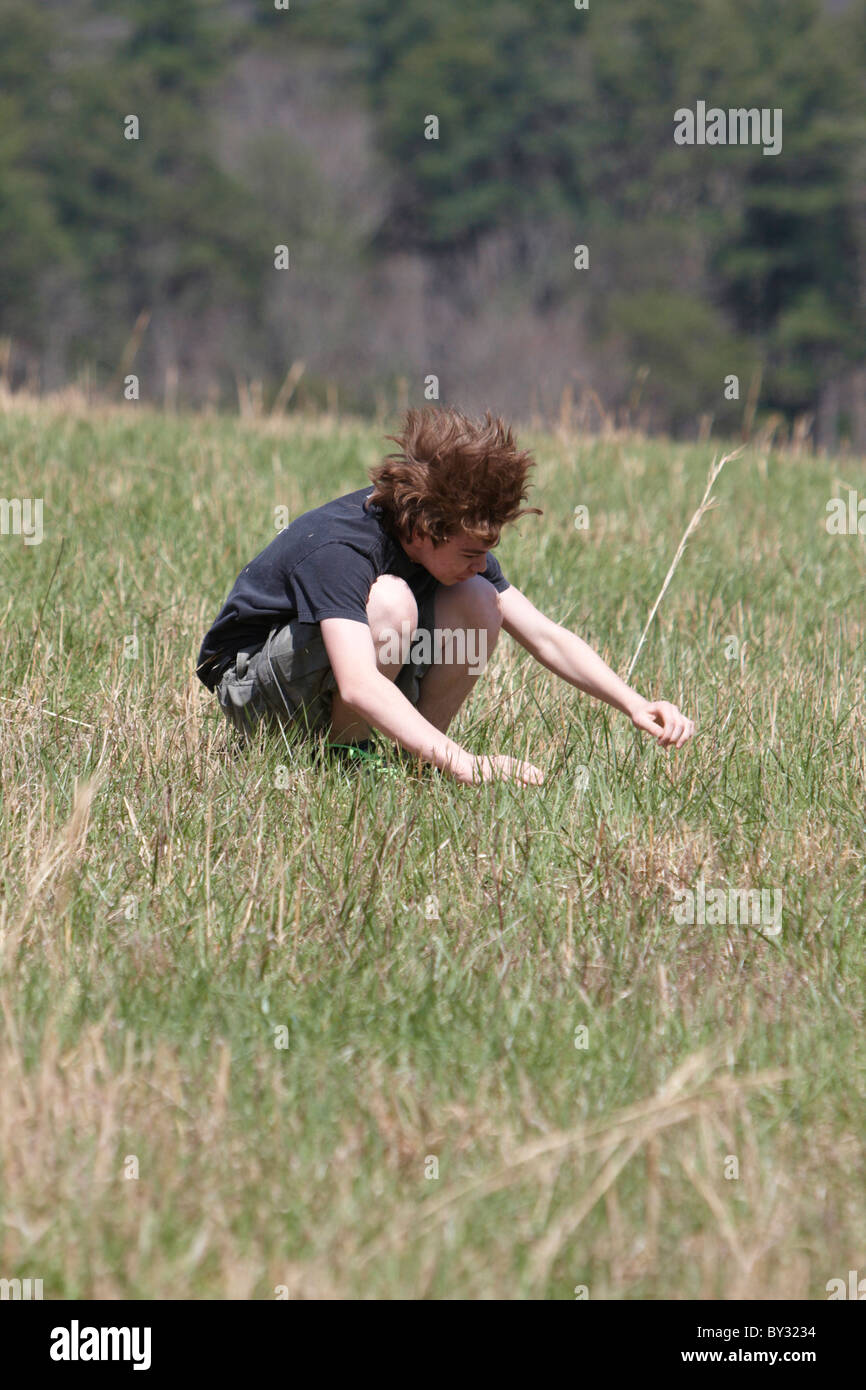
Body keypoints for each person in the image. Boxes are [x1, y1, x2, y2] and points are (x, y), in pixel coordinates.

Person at [196, 406, 695, 784]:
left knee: (481, 601)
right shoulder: (341, 549)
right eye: (470, 551)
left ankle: (413, 765)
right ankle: (347, 762)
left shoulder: (449, 547)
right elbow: (357, 685)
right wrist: (468, 762)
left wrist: (633, 703)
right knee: (392, 604)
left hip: (321, 674)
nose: (482, 562)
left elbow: (544, 636)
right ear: (420, 529)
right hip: (251, 686)